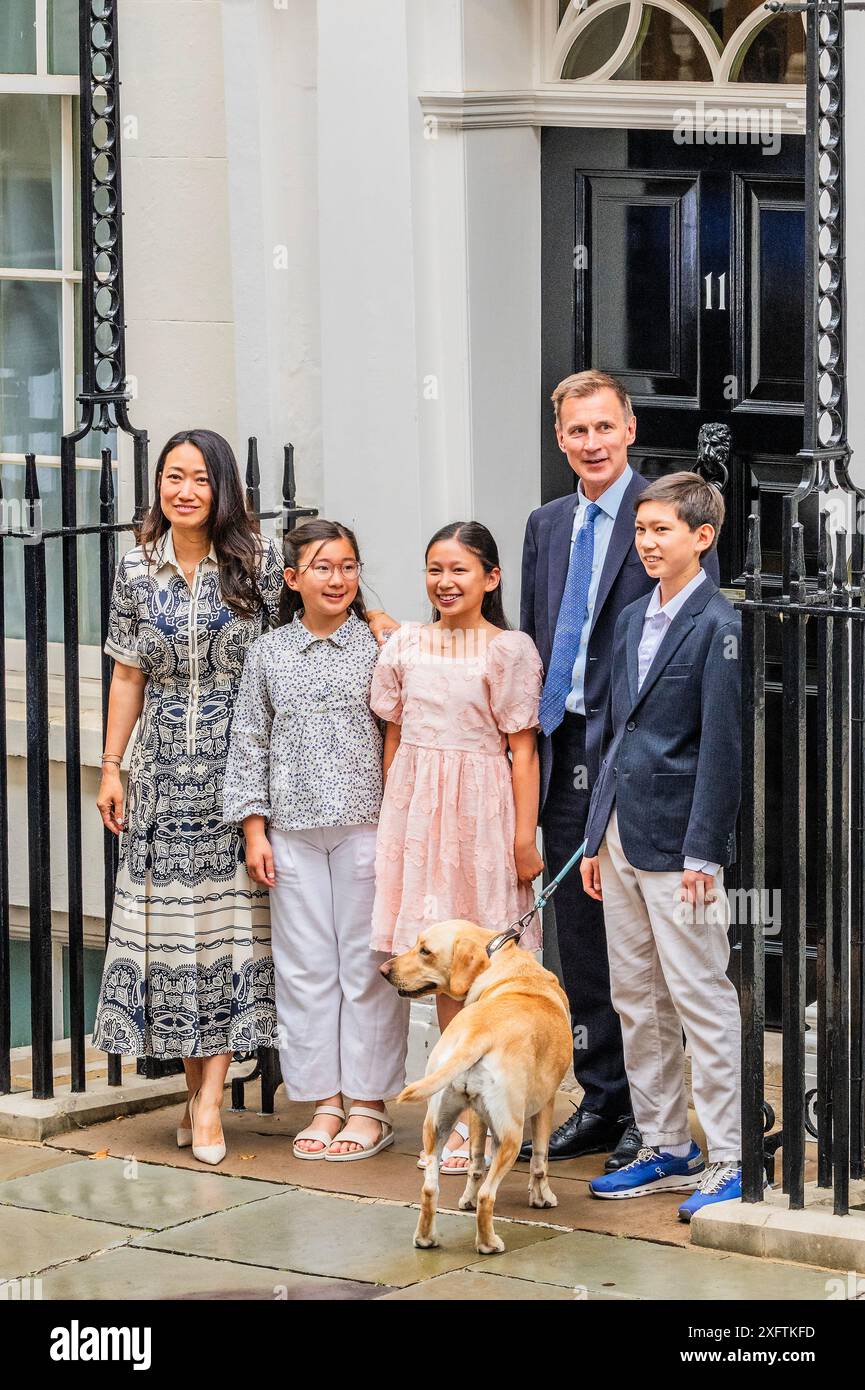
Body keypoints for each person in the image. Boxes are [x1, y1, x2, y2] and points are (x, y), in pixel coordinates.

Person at [518, 370, 720, 1170]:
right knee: (581, 937)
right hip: (559, 744)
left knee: (648, 954)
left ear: (629, 429)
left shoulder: (660, 519)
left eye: (604, 428)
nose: (591, 443)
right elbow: (536, 631)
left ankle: (655, 1114)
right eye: (576, 431)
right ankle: (602, 1099)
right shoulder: (544, 523)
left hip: (635, 757)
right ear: (560, 438)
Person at [92, 429, 284, 1166]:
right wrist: (113, 767)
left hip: (236, 777)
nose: (183, 491)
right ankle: (193, 1095)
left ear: (223, 489)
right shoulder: (136, 567)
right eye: (173, 477)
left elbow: (306, 633)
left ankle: (208, 1104)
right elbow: (127, 675)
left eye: (199, 479)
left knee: (226, 939)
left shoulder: (258, 565)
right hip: (162, 778)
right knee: (175, 944)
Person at [581, 473, 744, 1220]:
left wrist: (703, 853)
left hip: (681, 849)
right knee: (635, 1001)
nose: (646, 542)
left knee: (699, 998)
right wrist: (593, 835)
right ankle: (664, 1145)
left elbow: (723, 747)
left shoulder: (718, 623)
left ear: (700, 538)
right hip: (618, 836)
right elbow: (615, 731)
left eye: (661, 531)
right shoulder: (626, 619)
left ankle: (729, 1156)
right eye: (641, 530)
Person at [223, 520, 410, 1161]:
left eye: (349, 566)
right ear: (293, 578)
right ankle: (323, 1102)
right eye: (323, 567)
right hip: (292, 832)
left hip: (366, 827)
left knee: (367, 968)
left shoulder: (382, 646)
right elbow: (248, 740)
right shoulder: (269, 653)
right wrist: (254, 830)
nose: (338, 578)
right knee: (304, 971)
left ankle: (369, 1105)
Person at [371, 521, 544, 1172]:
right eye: (434, 570)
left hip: (480, 815)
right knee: (442, 967)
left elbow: (522, 751)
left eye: (459, 570)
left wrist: (523, 839)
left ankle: (492, 1113)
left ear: (490, 578)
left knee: (488, 968)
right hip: (418, 818)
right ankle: (453, 1105)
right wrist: (396, 817)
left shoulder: (506, 650)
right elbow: (392, 739)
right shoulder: (406, 646)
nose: (445, 582)